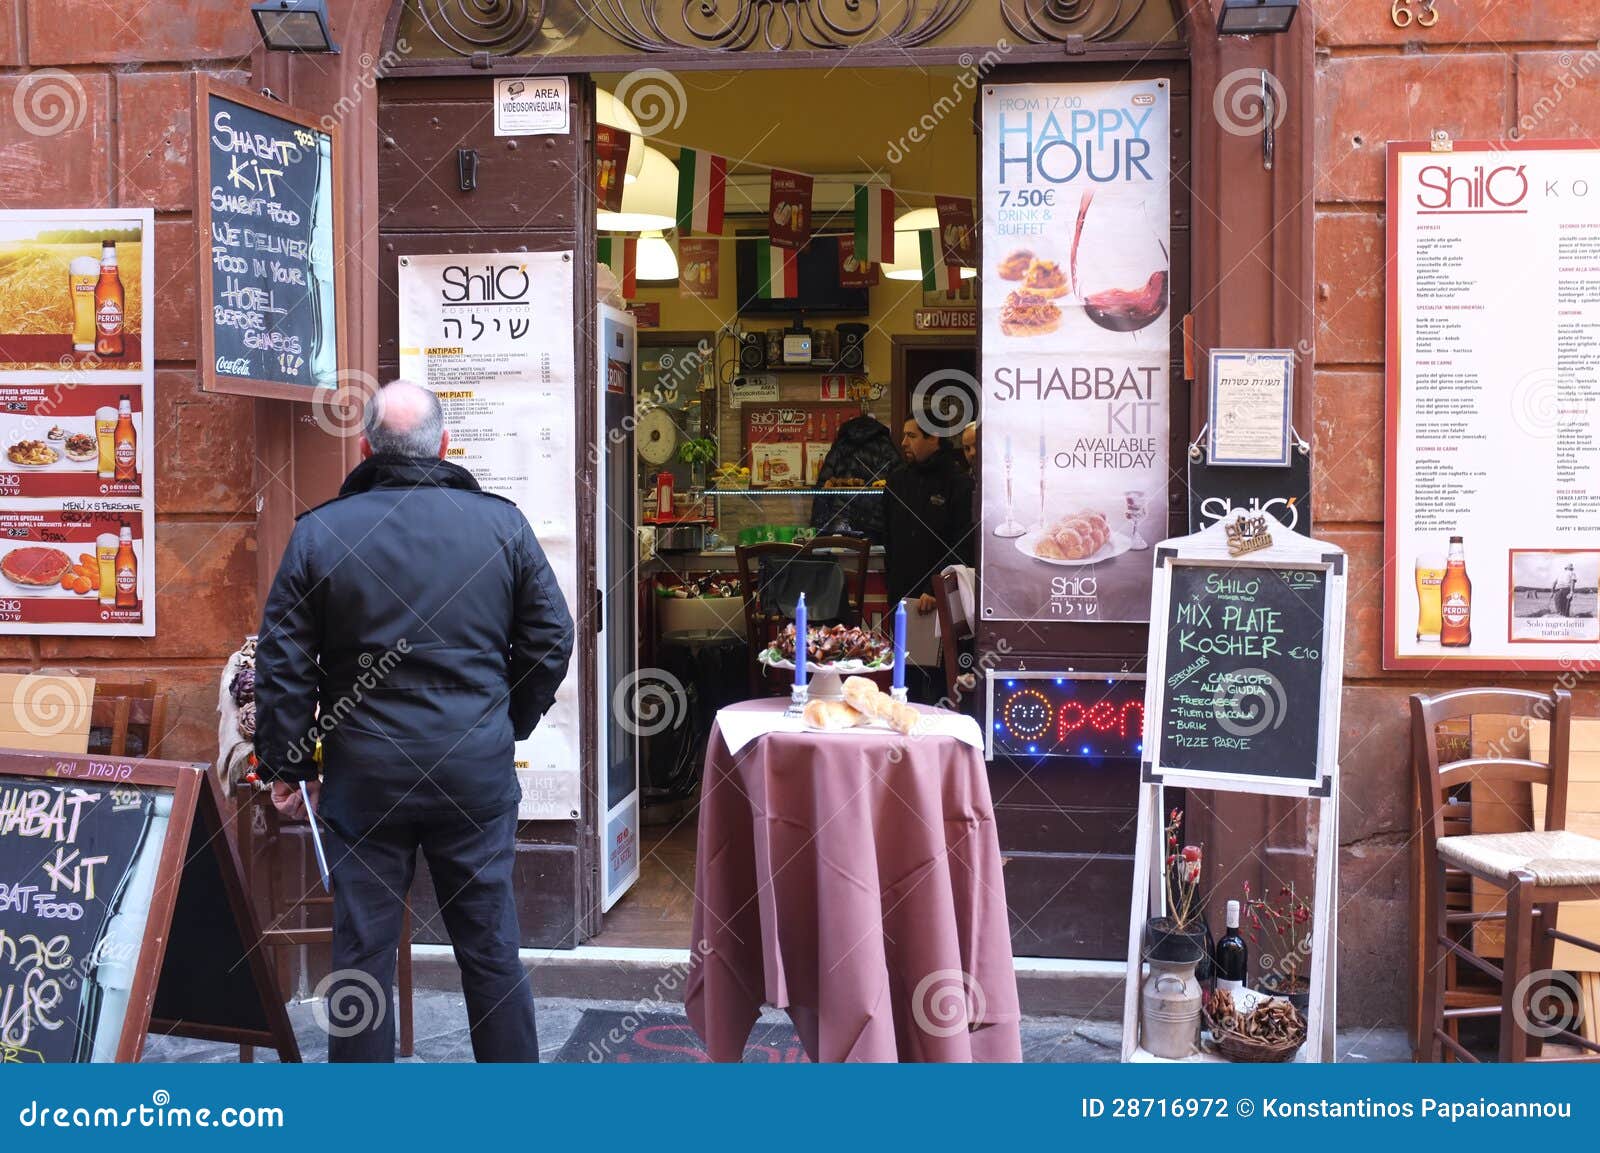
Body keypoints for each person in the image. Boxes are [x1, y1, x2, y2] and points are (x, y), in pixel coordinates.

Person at [254, 380, 574, 1063]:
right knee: (490, 946)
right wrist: (507, 719)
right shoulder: (502, 524)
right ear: (445, 446)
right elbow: (551, 639)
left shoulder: (319, 531)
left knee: (363, 953)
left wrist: (287, 763)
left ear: (365, 446)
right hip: (473, 769)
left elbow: (282, 661)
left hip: (365, 775)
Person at [885, 412, 974, 702]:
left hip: (939, 597)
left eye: (911, 436)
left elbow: (962, 542)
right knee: (903, 677)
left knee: (940, 679)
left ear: (933, 437)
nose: (903, 442)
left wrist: (936, 587)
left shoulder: (957, 481)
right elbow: (888, 533)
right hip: (902, 596)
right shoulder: (897, 479)